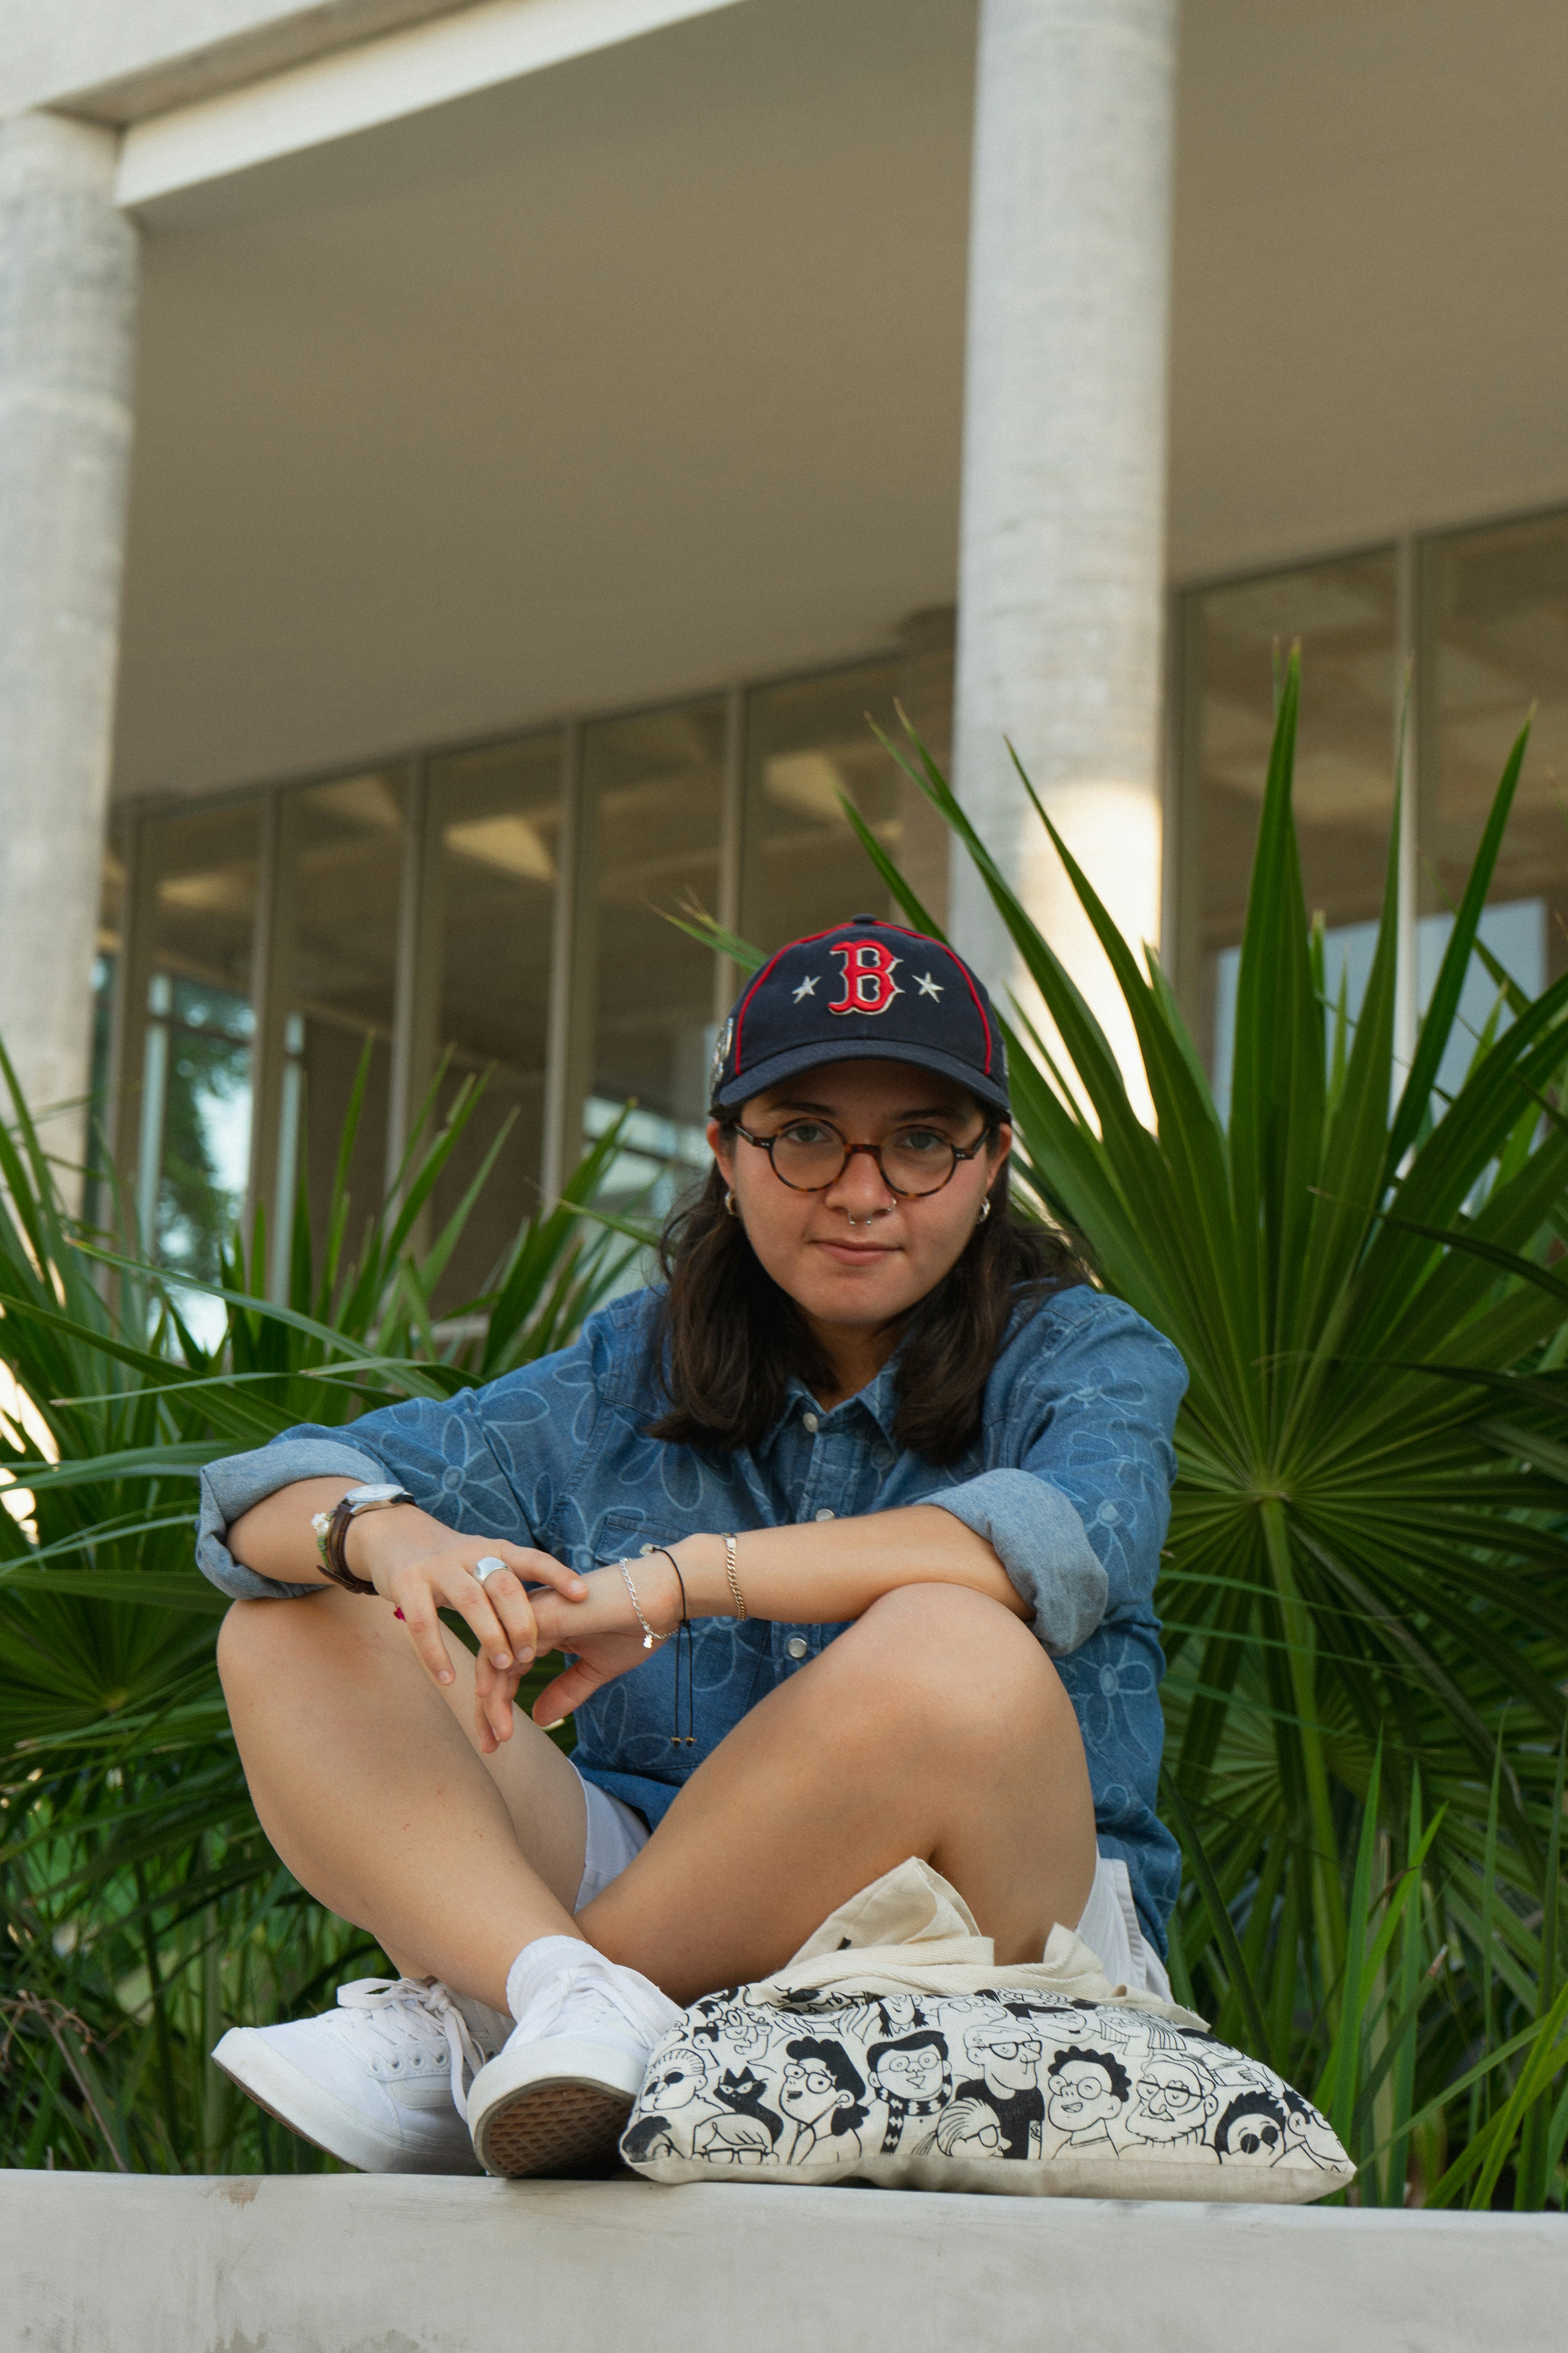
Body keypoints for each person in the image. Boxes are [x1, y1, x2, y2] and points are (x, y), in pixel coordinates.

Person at [200, 912, 1187, 2180]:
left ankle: (499, 2022)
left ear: (991, 1159)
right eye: (805, 1135)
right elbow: (259, 1499)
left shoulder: (1088, 1356)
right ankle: (562, 1995)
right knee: (295, 1616)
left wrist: (674, 1581)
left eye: (921, 1141)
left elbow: (1052, 1544)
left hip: (986, 1925)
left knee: (956, 1644)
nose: (861, 1191)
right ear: (726, 1151)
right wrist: (381, 1535)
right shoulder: (632, 1363)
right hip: (657, 1885)